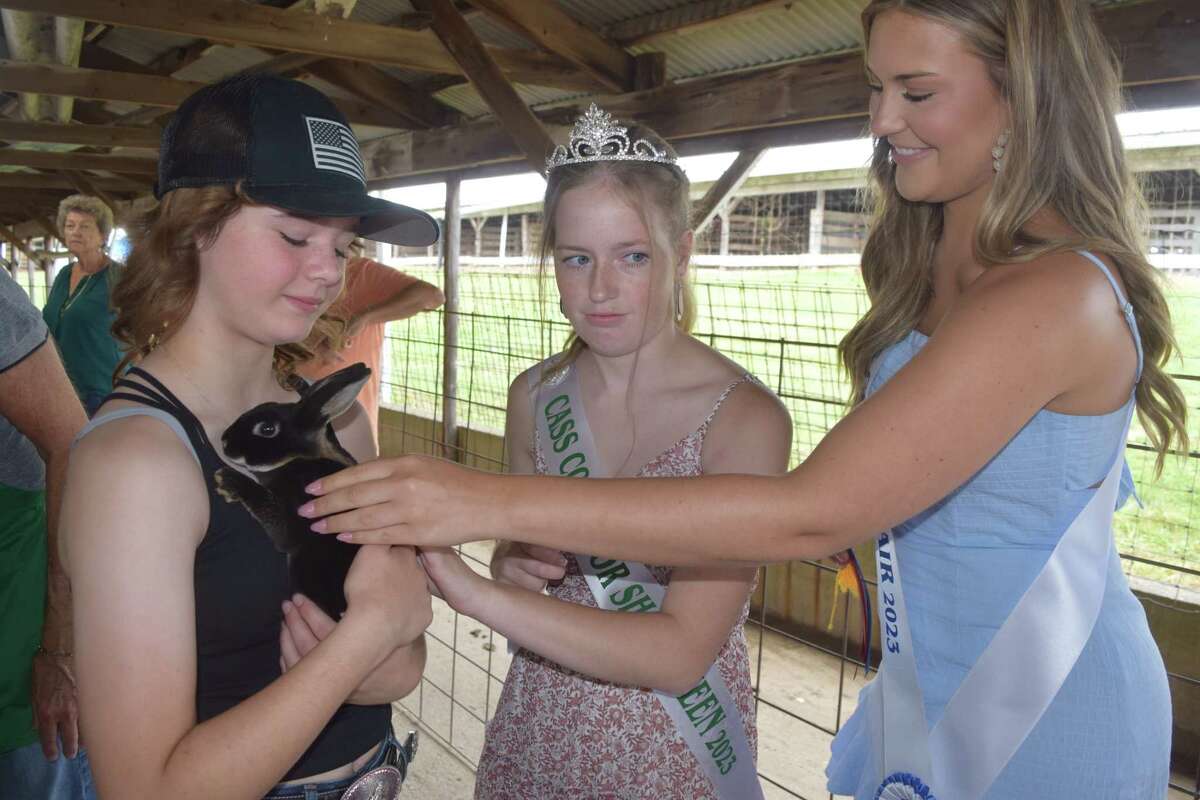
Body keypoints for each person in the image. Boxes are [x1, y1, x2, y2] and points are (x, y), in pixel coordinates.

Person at [302, 2, 1186, 797]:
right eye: (878, 88)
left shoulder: (1055, 290)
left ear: (1021, 95)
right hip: (928, 684)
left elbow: (810, 516)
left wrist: (477, 499)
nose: (881, 121)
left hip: (1044, 701)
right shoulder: (932, 269)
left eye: (917, 92)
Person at [60, 74, 439, 800]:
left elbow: (405, 654)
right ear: (196, 226)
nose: (328, 272)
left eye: (344, 244)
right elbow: (145, 789)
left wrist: (387, 652)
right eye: (296, 235)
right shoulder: (138, 463)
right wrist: (357, 649)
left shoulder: (336, 424)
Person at [418, 106, 791, 799]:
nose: (600, 289)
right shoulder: (535, 395)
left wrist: (471, 590)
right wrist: (509, 565)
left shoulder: (744, 420)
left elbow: (680, 655)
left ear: (681, 255)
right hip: (538, 731)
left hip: (670, 753)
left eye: (633, 256)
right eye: (577, 258)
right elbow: (518, 552)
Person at [0, 268, 94, 799]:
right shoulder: (65, 280)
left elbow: (71, 443)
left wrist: (60, 649)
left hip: (16, 598)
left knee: (37, 765)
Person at [298, 253, 444, 445]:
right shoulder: (290, 270)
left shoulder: (361, 271)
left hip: (348, 424)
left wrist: (365, 317)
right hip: (292, 415)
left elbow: (432, 296)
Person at [42, 195, 124, 416]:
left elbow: (144, 329)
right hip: (63, 387)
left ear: (103, 235)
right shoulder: (64, 274)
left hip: (102, 389)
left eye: (85, 226)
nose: (75, 232)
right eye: (70, 226)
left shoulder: (119, 277)